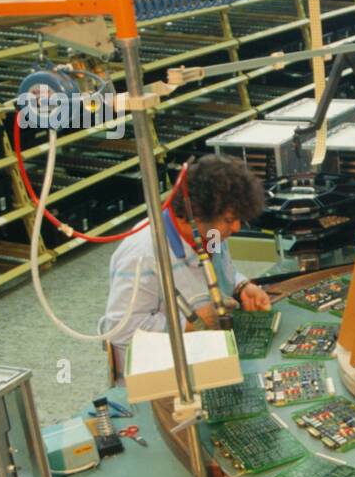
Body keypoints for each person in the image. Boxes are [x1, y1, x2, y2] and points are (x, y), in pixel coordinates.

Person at [99, 154, 270, 371]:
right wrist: (188, 324)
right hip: (163, 372)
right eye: (229, 220)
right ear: (196, 212)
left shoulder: (212, 234)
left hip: (207, 351)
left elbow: (221, 272)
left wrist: (242, 286)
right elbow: (120, 331)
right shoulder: (143, 254)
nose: (236, 228)